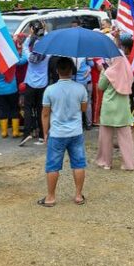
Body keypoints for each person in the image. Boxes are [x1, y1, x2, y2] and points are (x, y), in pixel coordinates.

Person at [38, 56, 89, 207]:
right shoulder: (80, 88)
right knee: (78, 164)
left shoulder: (50, 90)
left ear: (57, 70)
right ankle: (78, 195)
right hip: (76, 131)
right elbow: (84, 109)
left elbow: (45, 114)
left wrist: (45, 133)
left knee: (53, 166)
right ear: (72, 71)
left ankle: (51, 197)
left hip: (57, 133)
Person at [95, 36, 134, 171]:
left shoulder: (108, 71)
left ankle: (106, 162)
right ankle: (129, 164)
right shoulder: (128, 70)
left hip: (109, 106)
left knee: (105, 136)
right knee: (125, 137)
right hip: (123, 106)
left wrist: (102, 70)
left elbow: (101, 87)